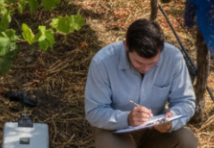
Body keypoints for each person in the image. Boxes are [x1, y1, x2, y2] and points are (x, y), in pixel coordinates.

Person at [84, 19, 197, 148]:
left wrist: (171, 121)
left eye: (152, 63)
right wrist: (127, 118)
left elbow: (185, 101)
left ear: (161, 50)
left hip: (155, 129)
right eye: (139, 62)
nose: (145, 69)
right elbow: (94, 111)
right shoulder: (103, 62)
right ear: (126, 46)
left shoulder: (173, 58)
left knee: (187, 141)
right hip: (115, 129)